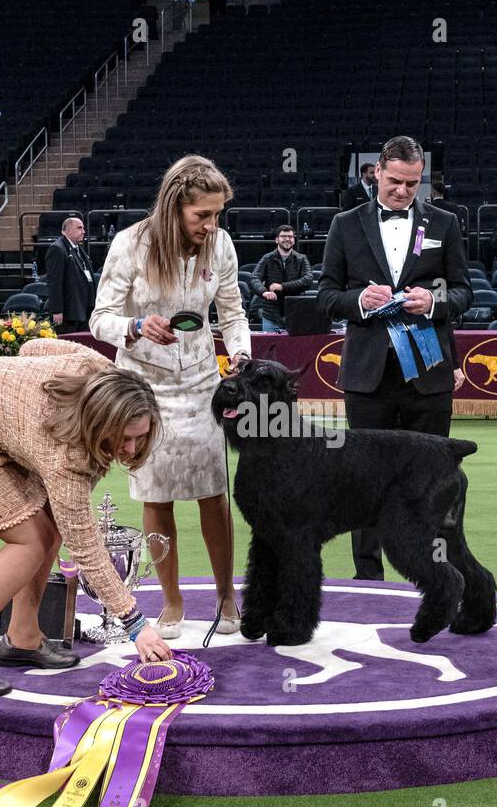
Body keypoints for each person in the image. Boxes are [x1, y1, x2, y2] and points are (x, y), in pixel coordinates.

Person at [0, 338, 172, 696]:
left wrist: (4, 394)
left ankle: (23, 638)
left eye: (141, 437)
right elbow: (86, 546)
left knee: (50, 529)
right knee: (29, 542)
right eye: (123, 438)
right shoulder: (66, 454)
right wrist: (135, 624)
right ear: (98, 422)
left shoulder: (96, 369)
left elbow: (32, 348)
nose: (131, 449)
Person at [89, 155, 252, 639]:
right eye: (203, 214)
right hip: (143, 389)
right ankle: (171, 602)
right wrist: (137, 327)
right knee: (156, 496)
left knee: (211, 492)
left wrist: (240, 353)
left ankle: (227, 599)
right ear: (175, 206)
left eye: (218, 213)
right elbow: (100, 319)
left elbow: (233, 313)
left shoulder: (220, 245)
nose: (212, 224)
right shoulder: (130, 244)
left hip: (203, 382)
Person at [317, 135, 472, 581]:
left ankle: (436, 574)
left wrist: (435, 301)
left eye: (412, 184)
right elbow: (326, 295)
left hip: (429, 373)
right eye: (395, 182)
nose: (403, 191)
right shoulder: (345, 224)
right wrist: (360, 300)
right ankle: (368, 580)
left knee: (435, 480)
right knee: (363, 481)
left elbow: (465, 291)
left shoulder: (445, 222)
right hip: (369, 376)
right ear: (377, 172)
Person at [250, 224, 313, 332]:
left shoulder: (301, 259)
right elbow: (254, 278)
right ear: (276, 240)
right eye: (283, 236)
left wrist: (282, 287)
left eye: (290, 237)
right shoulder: (267, 258)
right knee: (270, 348)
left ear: (294, 240)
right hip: (271, 315)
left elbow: (308, 280)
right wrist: (264, 292)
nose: (287, 239)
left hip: (295, 314)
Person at [46, 216, 94, 333]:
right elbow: (54, 282)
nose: (83, 231)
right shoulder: (58, 249)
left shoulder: (78, 248)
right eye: (79, 228)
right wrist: (57, 310)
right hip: (69, 313)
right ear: (68, 231)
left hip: (82, 309)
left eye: (83, 228)